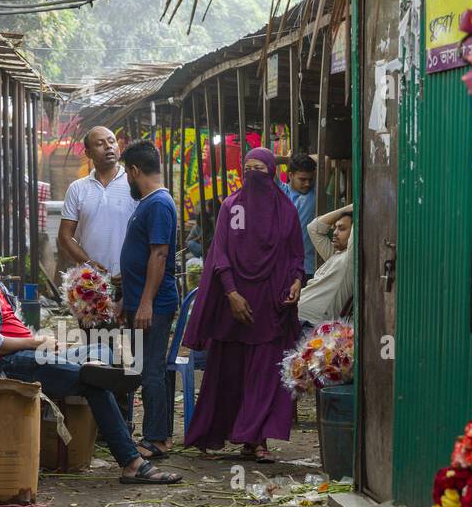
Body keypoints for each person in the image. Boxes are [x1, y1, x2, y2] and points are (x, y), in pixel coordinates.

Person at [0, 222, 181, 487]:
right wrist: (34, 343)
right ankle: (133, 462)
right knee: (96, 383)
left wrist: (44, 344)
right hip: (5, 365)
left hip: (29, 353)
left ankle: (96, 369)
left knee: (100, 349)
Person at [183, 147, 304, 464]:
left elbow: (295, 255)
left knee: (265, 374)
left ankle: (256, 440)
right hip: (234, 305)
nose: (253, 175)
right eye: (247, 168)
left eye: (259, 169)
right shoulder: (230, 206)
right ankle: (219, 433)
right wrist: (232, 294)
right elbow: (219, 255)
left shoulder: (286, 210)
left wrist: (296, 282)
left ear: (272, 173)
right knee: (230, 374)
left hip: (271, 304)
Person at [118, 140, 179, 460]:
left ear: (134, 170)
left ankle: (156, 438)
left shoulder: (157, 204)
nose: (127, 180)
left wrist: (144, 303)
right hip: (141, 300)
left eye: (126, 173)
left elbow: (159, 254)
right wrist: (126, 300)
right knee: (144, 366)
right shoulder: (149, 203)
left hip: (154, 304)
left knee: (150, 368)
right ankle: (159, 434)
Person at [58, 126, 136, 278]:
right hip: (91, 283)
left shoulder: (133, 183)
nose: (108, 147)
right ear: (88, 153)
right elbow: (65, 236)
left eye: (111, 142)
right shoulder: (77, 188)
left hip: (130, 278)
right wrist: (89, 263)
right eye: (100, 144)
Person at [298, 203, 354, 329]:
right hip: (296, 318)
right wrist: (347, 209)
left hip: (310, 324)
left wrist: (355, 208)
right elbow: (313, 228)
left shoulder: (349, 260)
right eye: (335, 228)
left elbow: (314, 228)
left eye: (342, 229)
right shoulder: (335, 255)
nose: (334, 233)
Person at [281, 152, 318, 278]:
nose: (307, 183)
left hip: (308, 266)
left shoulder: (313, 193)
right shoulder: (280, 190)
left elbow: (325, 159)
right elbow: (265, 160)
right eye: (302, 179)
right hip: (283, 266)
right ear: (290, 175)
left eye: (310, 179)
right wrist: (288, 159)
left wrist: (298, 157)